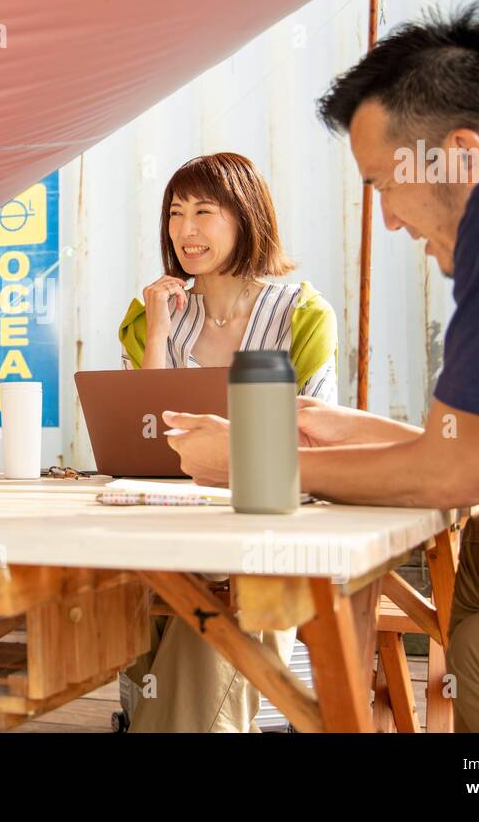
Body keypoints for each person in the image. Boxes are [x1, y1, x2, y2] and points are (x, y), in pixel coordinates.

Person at [165, 2, 479, 731]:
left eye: (383, 184)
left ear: (461, 153)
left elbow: (452, 477)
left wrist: (247, 459)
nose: (389, 219)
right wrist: (357, 430)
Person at [117, 151, 338, 732]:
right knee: (128, 599)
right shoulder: (150, 318)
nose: (185, 229)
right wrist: (161, 332)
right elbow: (144, 440)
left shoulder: (301, 315)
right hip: (167, 533)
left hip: (269, 534)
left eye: (204, 212)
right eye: (174, 213)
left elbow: (321, 444)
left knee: (220, 615)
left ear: (245, 218)